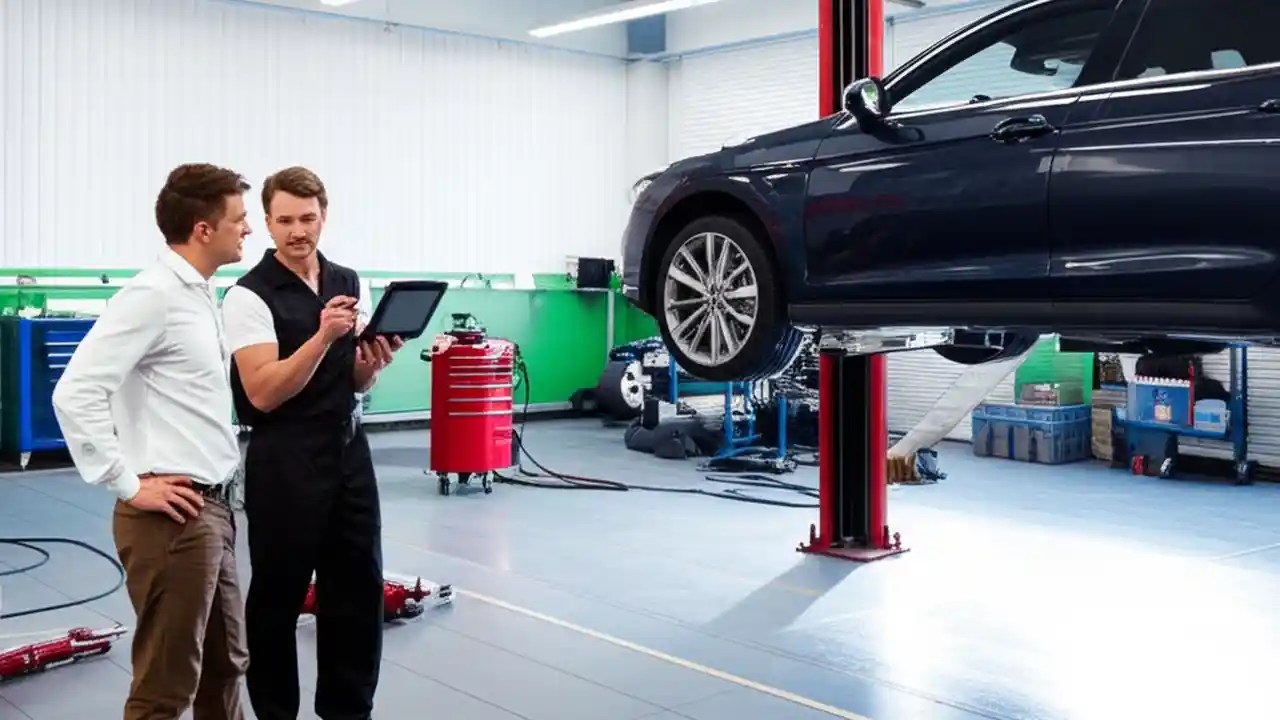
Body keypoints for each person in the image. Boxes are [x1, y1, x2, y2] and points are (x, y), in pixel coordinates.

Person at [51, 163, 254, 720]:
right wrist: (125, 482)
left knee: (225, 664)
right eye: (240, 219)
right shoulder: (153, 296)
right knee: (167, 685)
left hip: (215, 509)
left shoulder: (200, 296)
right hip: (173, 519)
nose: (249, 229)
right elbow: (76, 392)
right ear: (203, 228)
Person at [220, 165, 402, 720]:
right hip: (286, 457)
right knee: (277, 593)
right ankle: (277, 713)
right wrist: (324, 337)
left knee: (356, 589)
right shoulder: (247, 296)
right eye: (285, 220)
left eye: (308, 218)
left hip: (348, 449)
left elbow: (351, 378)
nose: (298, 231)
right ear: (268, 224)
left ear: (324, 215)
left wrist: (370, 368)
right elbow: (264, 391)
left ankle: (349, 711)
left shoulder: (348, 280)